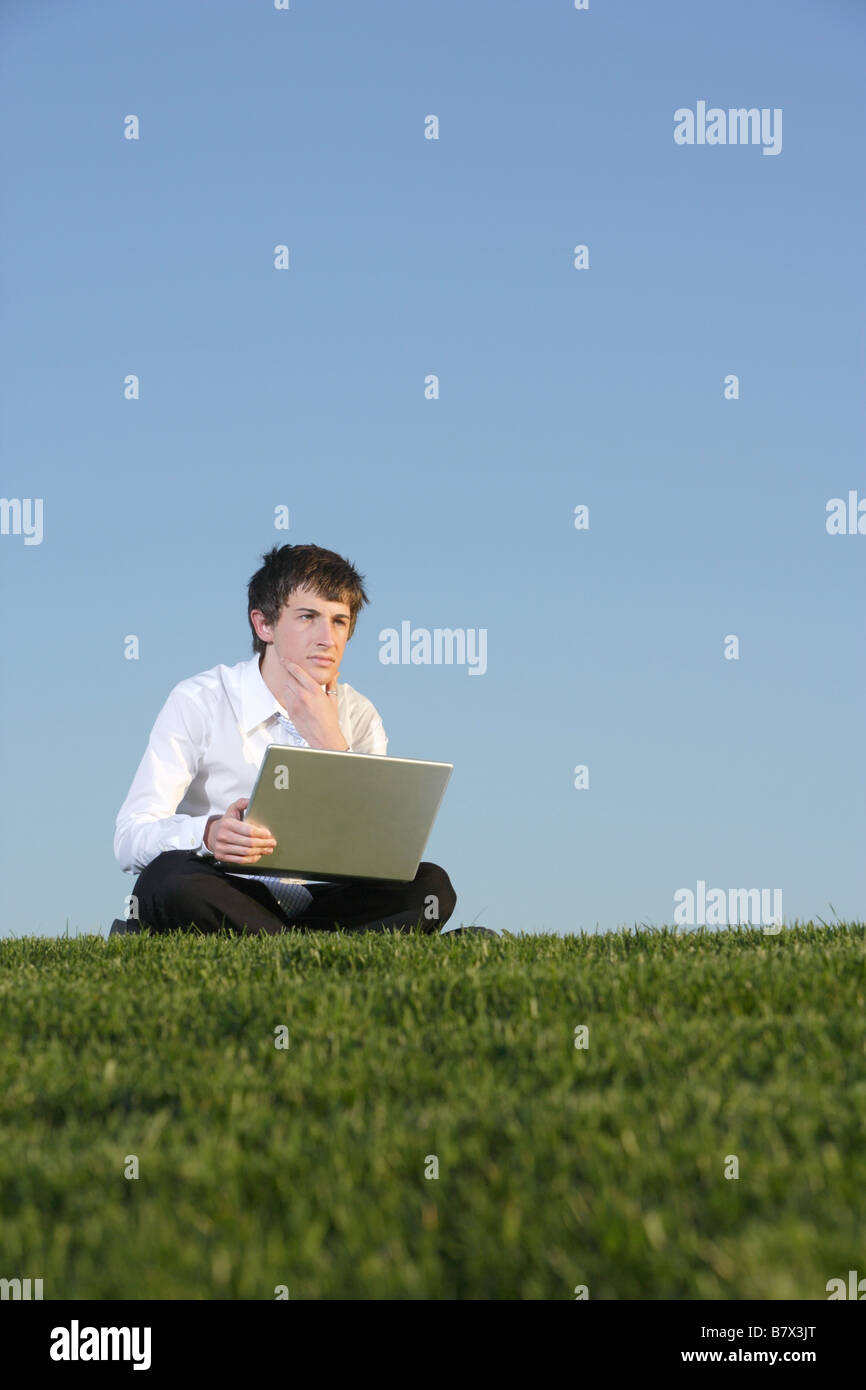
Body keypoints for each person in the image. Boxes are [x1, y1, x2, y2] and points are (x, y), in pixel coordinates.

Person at [111, 543, 471, 937]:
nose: (327, 639)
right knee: (165, 881)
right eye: (308, 617)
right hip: (228, 888)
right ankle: (331, 950)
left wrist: (330, 741)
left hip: (321, 899)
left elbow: (378, 852)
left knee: (432, 886)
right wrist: (208, 833)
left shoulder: (360, 714)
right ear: (264, 625)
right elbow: (130, 838)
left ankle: (291, 946)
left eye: (339, 621)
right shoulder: (198, 700)